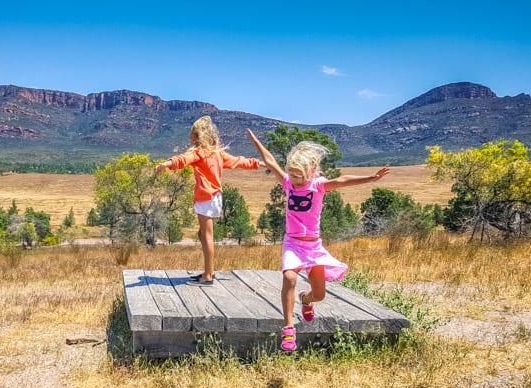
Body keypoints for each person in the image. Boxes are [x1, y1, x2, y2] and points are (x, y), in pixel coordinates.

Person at [246, 128, 390, 351]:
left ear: (312, 171)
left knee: (320, 295)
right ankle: (288, 329)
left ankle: (306, 300)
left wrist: (371, 178)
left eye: (298, 176)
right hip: (293, 243)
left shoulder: (318, 186)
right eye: (291, 174)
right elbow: (270, 161)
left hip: (313, 246)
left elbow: (343, 180)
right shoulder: (287, 184)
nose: (294, 179)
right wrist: (256, 141)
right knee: (290, 278)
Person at [155, 116, 261, 286]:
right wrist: (258, 163)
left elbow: (183, 159)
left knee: (207, 236)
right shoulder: (217, 154)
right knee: (202, 234)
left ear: (196, 136)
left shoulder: (199, 153)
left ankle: (208, 276)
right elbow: (238, 162)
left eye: (192, 135)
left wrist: (167, 164)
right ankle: (207, 272)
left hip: (206, 197)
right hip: (215, 197)